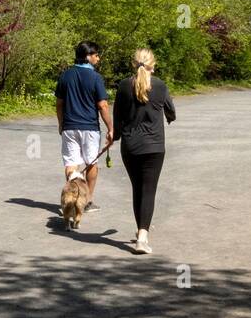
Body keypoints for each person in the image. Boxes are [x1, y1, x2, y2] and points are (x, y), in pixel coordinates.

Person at [112, 48, 175, 254]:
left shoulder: (122, 86)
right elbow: (171, 111)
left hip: (130, 146)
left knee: (137, 189)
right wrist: (168, 117)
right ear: (152, 65)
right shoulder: (160, 85)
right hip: (154, 146)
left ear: (134, 64)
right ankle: (142, 237)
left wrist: (115, 136)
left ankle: (140, 232)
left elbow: (118, 118)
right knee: (148, 191)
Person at [56, 41, 113, 213]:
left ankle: (71, 200)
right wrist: (111, 127)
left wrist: (61, 124)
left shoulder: (65, 75)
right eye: (96, 55)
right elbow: (103, 106)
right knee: (91, 163)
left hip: (69, 126)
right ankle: (86, 201)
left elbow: (59, 104)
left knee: (71, 164)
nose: (98, 58)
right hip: (89, 127)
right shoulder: (95, 78)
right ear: (88, 57)